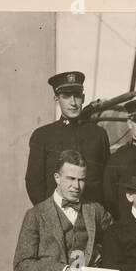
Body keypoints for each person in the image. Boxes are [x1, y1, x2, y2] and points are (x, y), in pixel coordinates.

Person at [24, 71, 112, 207]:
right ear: (56, 99)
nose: (73, 103)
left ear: (83, 98)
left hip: (92, 217)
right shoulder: (42, 136)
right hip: (56, 217)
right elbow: (34, 183)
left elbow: (107, 181)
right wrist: (50, 216)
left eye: (77, 96)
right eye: (66, 96)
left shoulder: (98, 134)